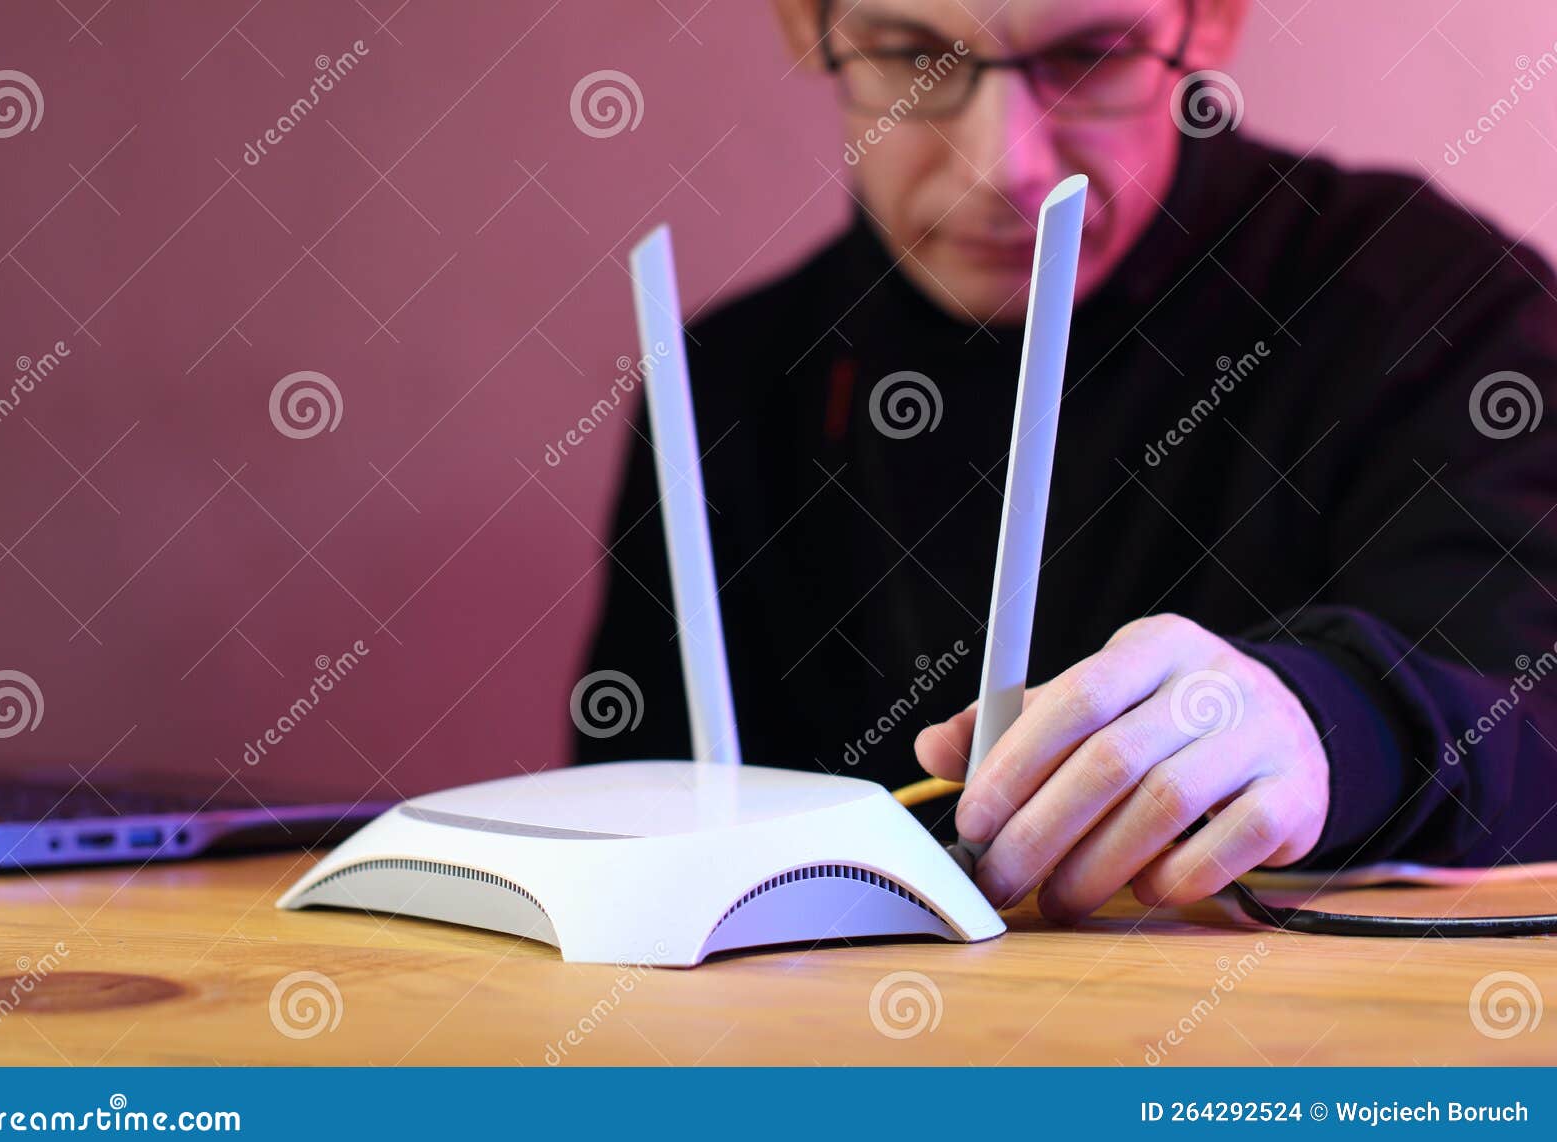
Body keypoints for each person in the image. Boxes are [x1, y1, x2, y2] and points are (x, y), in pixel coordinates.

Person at [577, 0, 1557, 922]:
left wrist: (1331, 721)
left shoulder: (1441, 310)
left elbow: (1529, 727)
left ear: (1208, 15)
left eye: (1091, 55)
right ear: (808, 21)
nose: (1002, 167)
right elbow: (633, 823)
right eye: (914, 55)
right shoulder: (728, 381)